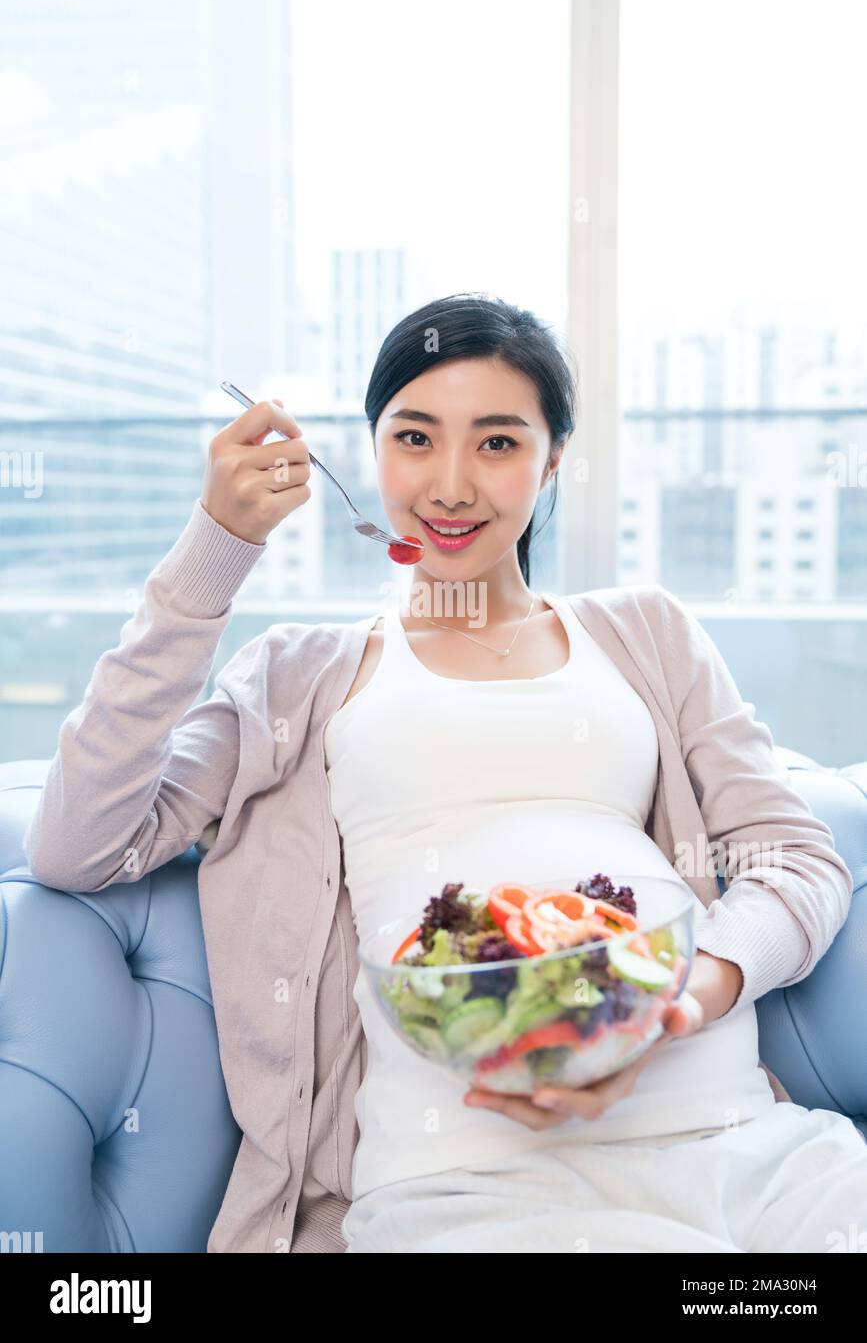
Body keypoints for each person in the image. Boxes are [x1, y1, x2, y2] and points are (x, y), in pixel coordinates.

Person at [27, 292, 867, 1254]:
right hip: (466, 1183)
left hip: (738, 1145)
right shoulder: (297, 676)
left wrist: (681, 1002)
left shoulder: (646, 633)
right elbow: (80, 844)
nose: (453, 485)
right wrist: (215, 551)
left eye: (498, 442)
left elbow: (795, 860)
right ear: (373, 451)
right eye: (415, 438)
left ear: (554, 459)